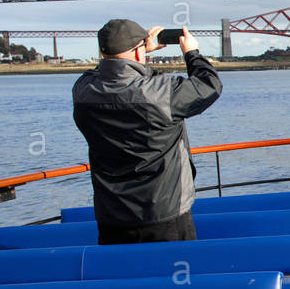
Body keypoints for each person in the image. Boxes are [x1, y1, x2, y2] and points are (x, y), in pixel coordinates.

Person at [72, 19, 222, 245]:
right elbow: (209, 85)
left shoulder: (83, 90)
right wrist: (192, 53)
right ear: (138, 52)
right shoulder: (162, 93)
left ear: (102, 51)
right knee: (175, 274)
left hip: (112, 214)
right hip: (165, 211)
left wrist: (136, 54)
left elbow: (112, 77)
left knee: (123, 277)